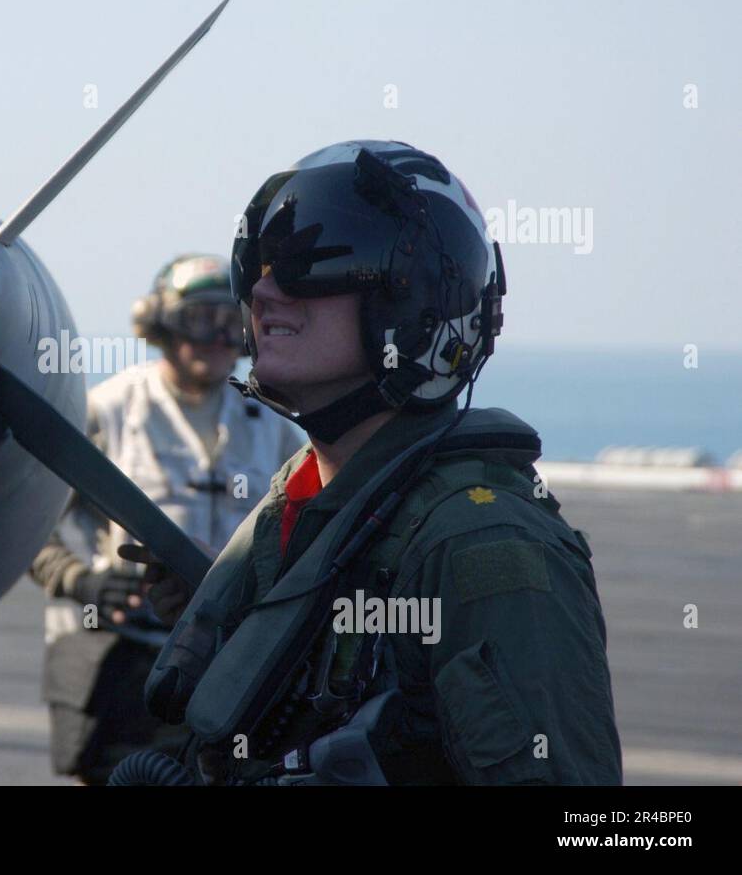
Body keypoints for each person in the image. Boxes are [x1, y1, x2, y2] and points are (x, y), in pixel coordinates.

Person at [126, 141, 622, 785]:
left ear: (413, 301)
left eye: (311, 261)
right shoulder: (296, 522)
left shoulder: (486, 547)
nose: (265, 290)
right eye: (261, 263)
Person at [29, 254, 303, 784]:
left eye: (231, 324)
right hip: (113, 659)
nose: (217, 339)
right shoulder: (108, 410)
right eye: (199, 320)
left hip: (222, 661)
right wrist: (81, 580)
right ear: (161, 325)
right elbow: (30, 524)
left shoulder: (270, 426)